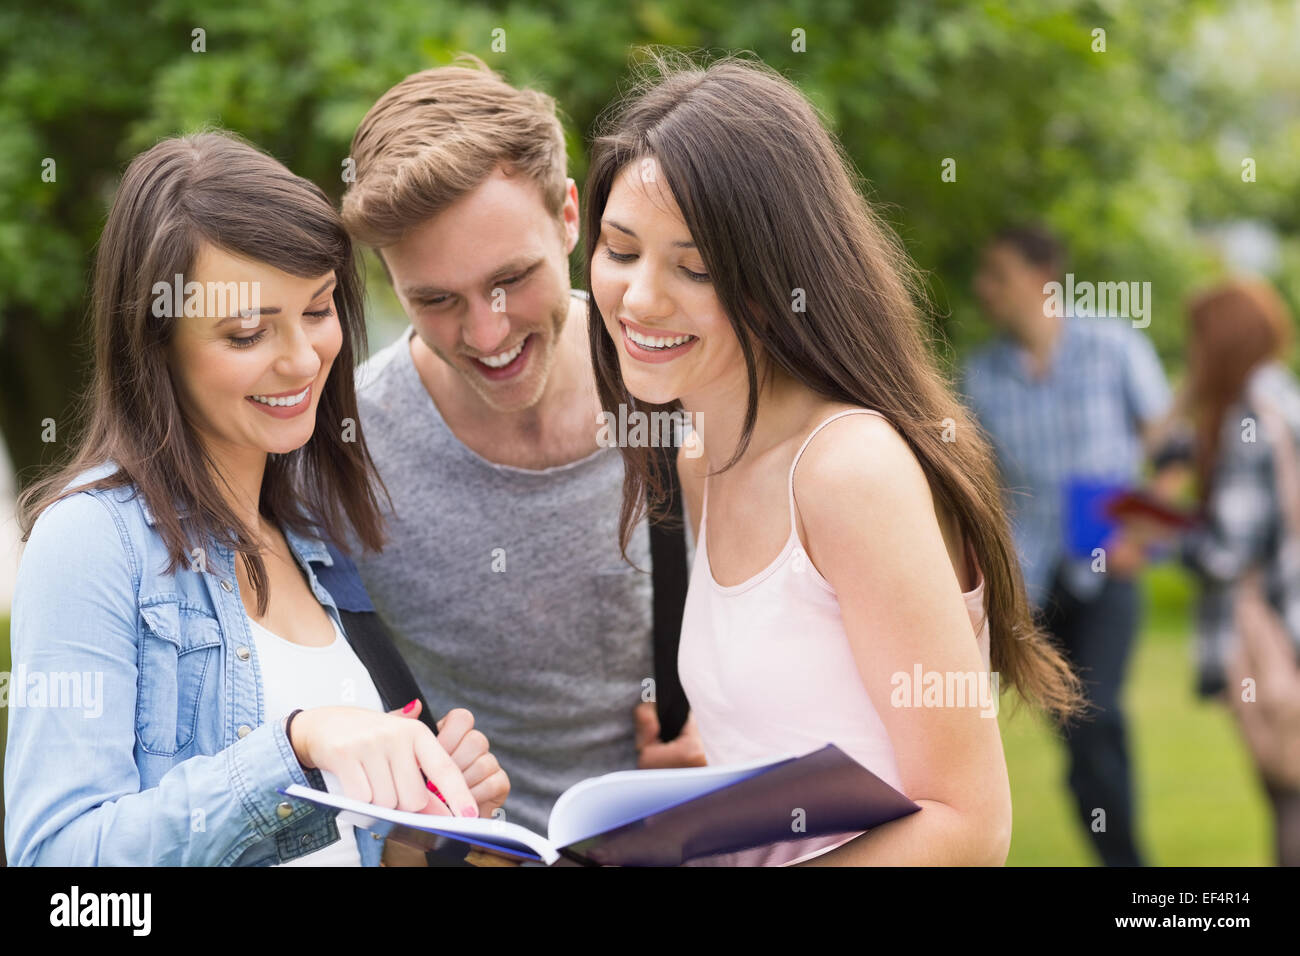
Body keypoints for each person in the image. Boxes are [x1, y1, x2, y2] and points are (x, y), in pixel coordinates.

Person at [584, 53, 1084, 866]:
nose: (640, 298)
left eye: (695, 266)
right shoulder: (700, 456)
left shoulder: (848, 471)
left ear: (776, 278)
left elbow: (969, 824)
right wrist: (703, 784)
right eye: (619, 249)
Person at [3, 131, 507, 866]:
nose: (302, 359)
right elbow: (59, 866)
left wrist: (421, 831)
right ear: (158, 340)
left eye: (317, 309)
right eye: (247, 333)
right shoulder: (88, 542)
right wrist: (296, 746)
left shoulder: (312, 539)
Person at [339, 58, 704, 841]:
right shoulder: (343, 456)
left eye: (512, 279)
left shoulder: (685, 385)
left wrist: (736, 737)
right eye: (435, 300)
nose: (487, 333)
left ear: (570, 217)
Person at [962, 224, 1173, 866]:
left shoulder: (1112, 346)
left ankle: (1134, 873)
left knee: (1097, 713)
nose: (984, 289)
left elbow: (1172, 451)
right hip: (1030, 581)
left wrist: (1141, 535)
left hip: (1108, 567)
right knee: (1079, 730)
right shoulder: (980, 374)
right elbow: (981, 486)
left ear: (1041, 278)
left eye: (997, 274)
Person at [1177, 278, 1300, 866]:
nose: (1191, 354)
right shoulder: (1287, 398)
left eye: (1197, 340)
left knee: (1289, 792)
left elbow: (1227, 548)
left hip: (1272, 632)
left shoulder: (1250, 415)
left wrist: (1160, 534)